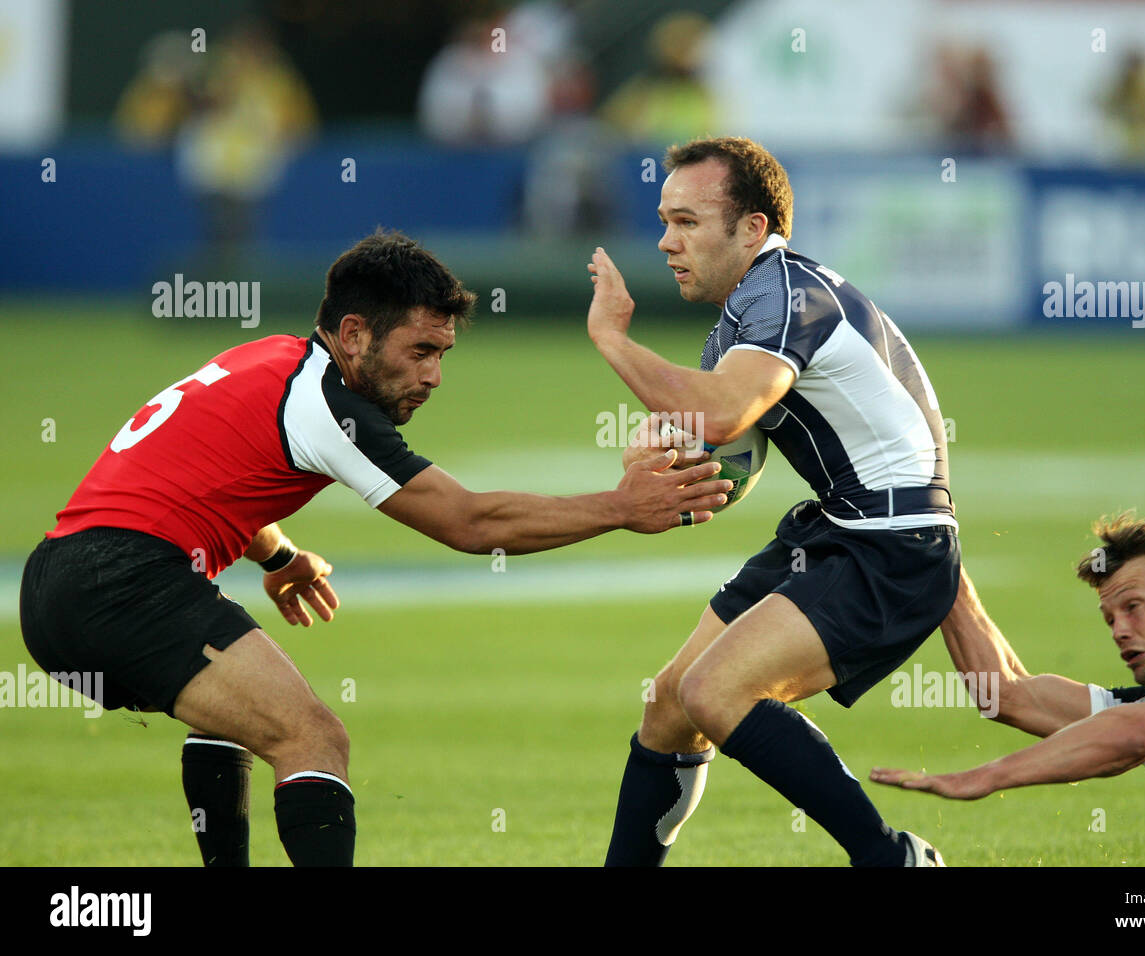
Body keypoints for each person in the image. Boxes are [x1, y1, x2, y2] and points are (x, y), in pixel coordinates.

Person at [18, 230, 731, 867]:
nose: (433, 376)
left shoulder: (268, 359)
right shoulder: (327, 404)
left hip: (59, 583)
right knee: (314, 741)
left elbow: (196, 476)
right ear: (354, 334)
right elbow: (470, 523)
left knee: (233, 720)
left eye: (442, 354)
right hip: (119, 584)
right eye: (420, 351)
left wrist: (277, 557)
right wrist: (620, 507)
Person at [586, 137, 960, 866]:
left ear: (753, 228)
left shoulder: (787, 293)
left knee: (715, 693)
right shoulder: (748, 311)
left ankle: (891, 858)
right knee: (670, 706)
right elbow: (726, 452)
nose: (666, 242)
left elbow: (724, 413)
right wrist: (663, 449)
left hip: (893, 546)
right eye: (665, 221)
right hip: (838, 529)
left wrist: (612, 340)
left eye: (688, 222)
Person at [870, 513, 1145, 866]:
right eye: (1110, 618)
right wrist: (938, 559)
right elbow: (1006, 695)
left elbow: (1133, 735)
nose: (1119, 631)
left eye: (1133, 608)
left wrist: (985, 776)